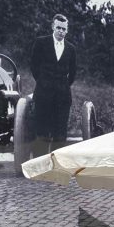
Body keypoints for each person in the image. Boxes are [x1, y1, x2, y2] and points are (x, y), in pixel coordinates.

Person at [30, 14, 77, 150]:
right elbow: (34, 66)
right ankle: (40, 165)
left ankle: (56, 166)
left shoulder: (71, 49)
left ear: (67, 30)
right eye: (58, 28)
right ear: (53, 27)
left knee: (60, 134)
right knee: (42, 132)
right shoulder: (41, 43)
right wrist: (43, 82)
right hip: (43, 95)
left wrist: (62, 86)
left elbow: (73, 73)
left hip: (62, 97)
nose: (61, 31)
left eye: (64, 29)